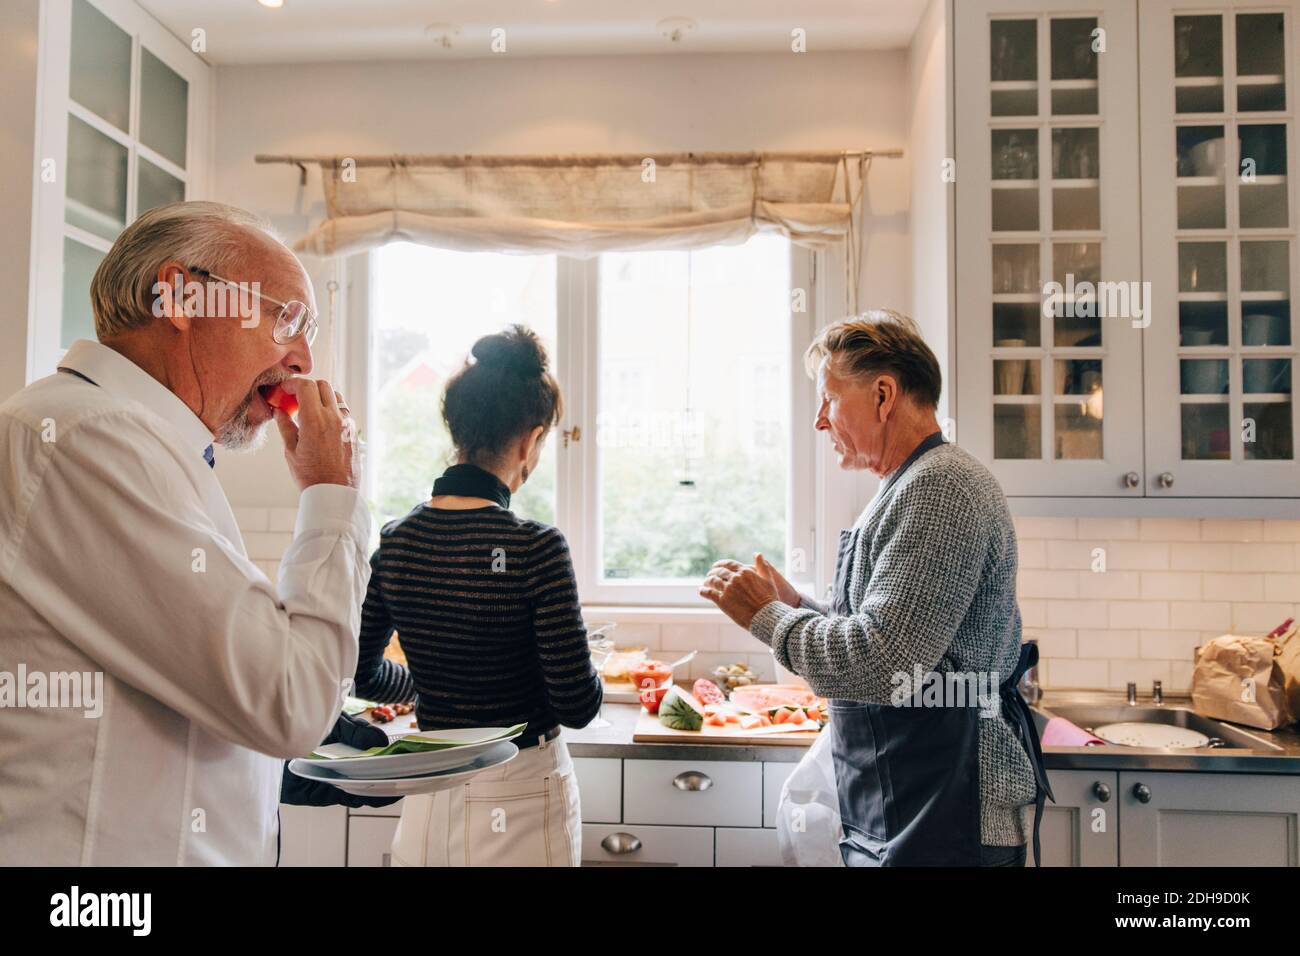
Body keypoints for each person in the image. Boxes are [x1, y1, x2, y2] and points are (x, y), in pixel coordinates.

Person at [0, 201, 370, 865]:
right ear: (178, 295)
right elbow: (289, 699)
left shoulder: (139, 443)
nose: (302, 357)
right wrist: (331, 495)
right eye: (286, 319)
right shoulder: (89, 439)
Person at [700, 309, 1051, 868]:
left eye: (829, 398)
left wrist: (765, 615)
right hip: (914, 806)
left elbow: (885, 664)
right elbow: (884, 633)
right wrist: (795, 605)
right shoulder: (907, 486)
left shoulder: (941, 487)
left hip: (954, 819)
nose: (819, 420)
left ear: (884, 395)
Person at [354, 324, 602, 867]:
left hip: (430, 788)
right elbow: (577, 706)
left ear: (457, 428)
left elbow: (362, 673)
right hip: (521, 789)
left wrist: (437, 688)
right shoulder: (537, 547)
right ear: (530, 441)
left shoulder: (396, 541)